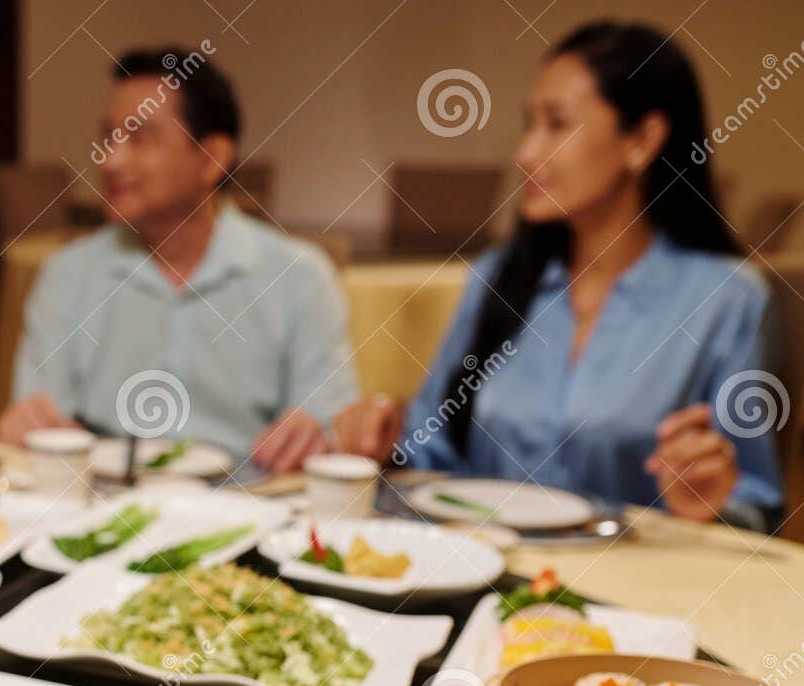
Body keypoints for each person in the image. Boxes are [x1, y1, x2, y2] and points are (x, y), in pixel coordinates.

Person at [335, 21, 782, 525]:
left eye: (556, 123)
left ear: (642, 140)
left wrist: (712, 499)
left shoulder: (726, 299)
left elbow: (756, 503)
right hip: (485, 579)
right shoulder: (497, 278)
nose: (525, 152)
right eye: (529, 124)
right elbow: (430, 455)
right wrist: (384, 442)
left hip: (633, 593)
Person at [0, 47, 355, 472]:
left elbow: (331, 429)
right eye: (108, 137)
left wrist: (315, 434)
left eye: (140, 138)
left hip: (250, 506)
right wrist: (26, 426)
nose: (111, 160)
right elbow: (40, 424)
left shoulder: (298, 277)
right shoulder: (67, 275)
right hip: (106, 507)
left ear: (211, 158)